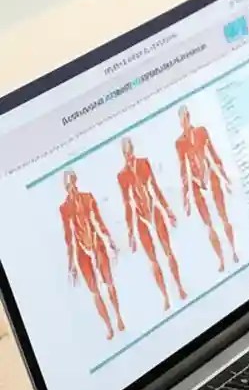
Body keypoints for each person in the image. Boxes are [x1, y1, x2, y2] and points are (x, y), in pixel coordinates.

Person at [119, 136, 187, 311]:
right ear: (123, 154)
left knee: (168, 251)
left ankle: (179, 286)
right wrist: (130, 232)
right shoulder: (122, 176)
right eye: (125, 153)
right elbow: (127, 204)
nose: (128, 155)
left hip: (154, 210)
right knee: (153, 260)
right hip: (141, 218)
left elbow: (155, 188)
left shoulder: (143, 163)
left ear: (133, 149)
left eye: (129, 151)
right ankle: (165, 296)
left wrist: (168, 210)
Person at [60, 171, 124, 340]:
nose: (72, 187)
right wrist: (71, 265)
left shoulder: (88, 197)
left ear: (76, 181)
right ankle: (109, 326)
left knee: (109, 282)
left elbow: (99, 221)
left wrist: (110, 240)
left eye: (73, 183)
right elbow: (69, 237)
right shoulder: (65, 208)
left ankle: (118, 316)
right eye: (68, 185)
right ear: (65, 187)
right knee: (94, 290)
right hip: (82, 252)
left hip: (97, 244)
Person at [176, 105, 238, 271]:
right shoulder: (180, 143)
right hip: (197, 185)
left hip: (211, 178)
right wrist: (186, 198)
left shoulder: (201, 131)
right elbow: (183, 170)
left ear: (189, 116)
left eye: (186, 117)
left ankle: (233, 250)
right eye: (182, 118)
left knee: (223, 216)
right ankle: (221, 259)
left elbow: (214, 155)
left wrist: (225, 179)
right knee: (209, 225)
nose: (184, 121)